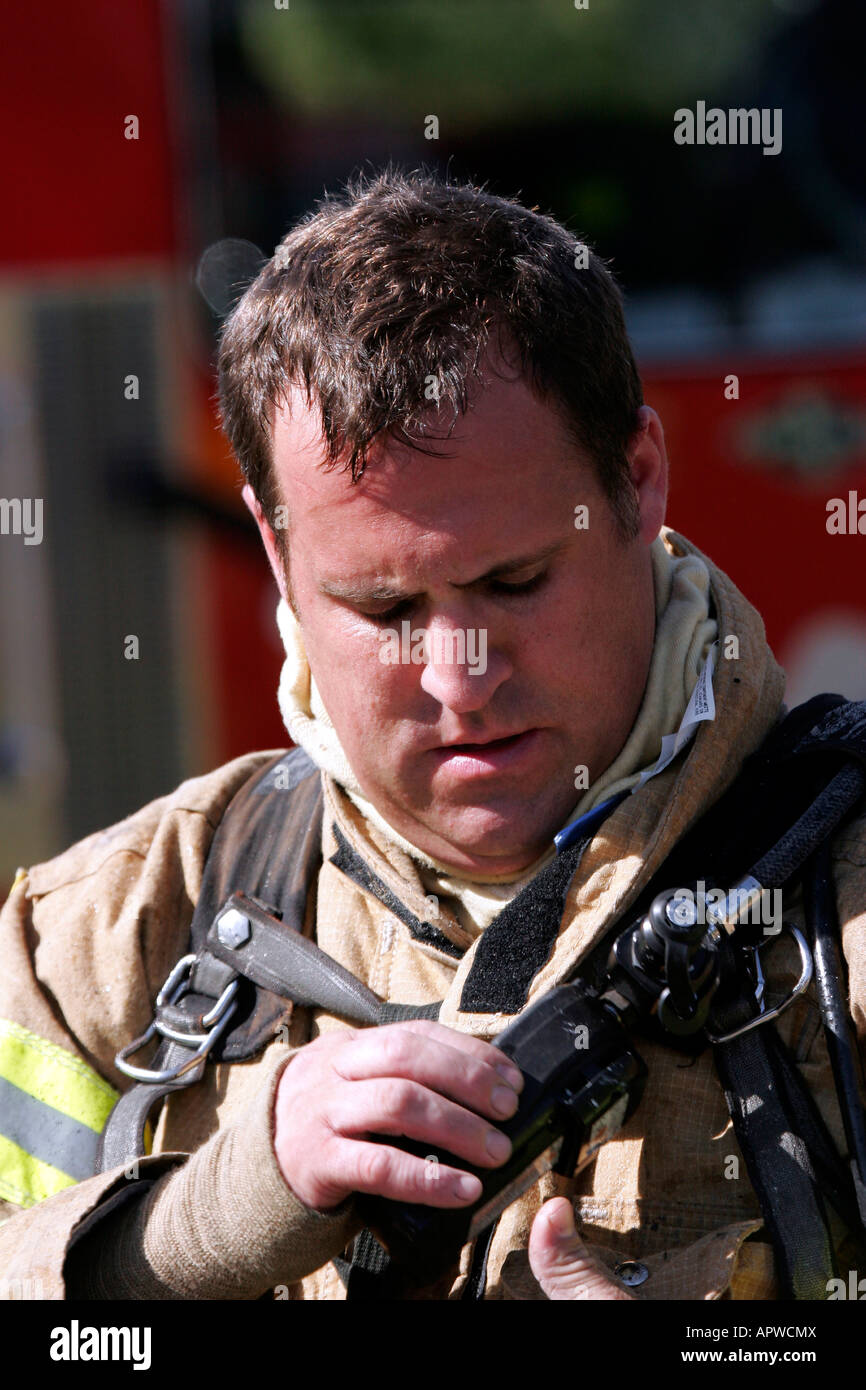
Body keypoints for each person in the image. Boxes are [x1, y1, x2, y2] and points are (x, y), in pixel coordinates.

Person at [0, 167, 862, 1302]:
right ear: (274, 551)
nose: (460, 682)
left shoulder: (839, 916)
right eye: (386, 609)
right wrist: (207, 1221)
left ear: (638, 481)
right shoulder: (98, 947)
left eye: (512, 582)